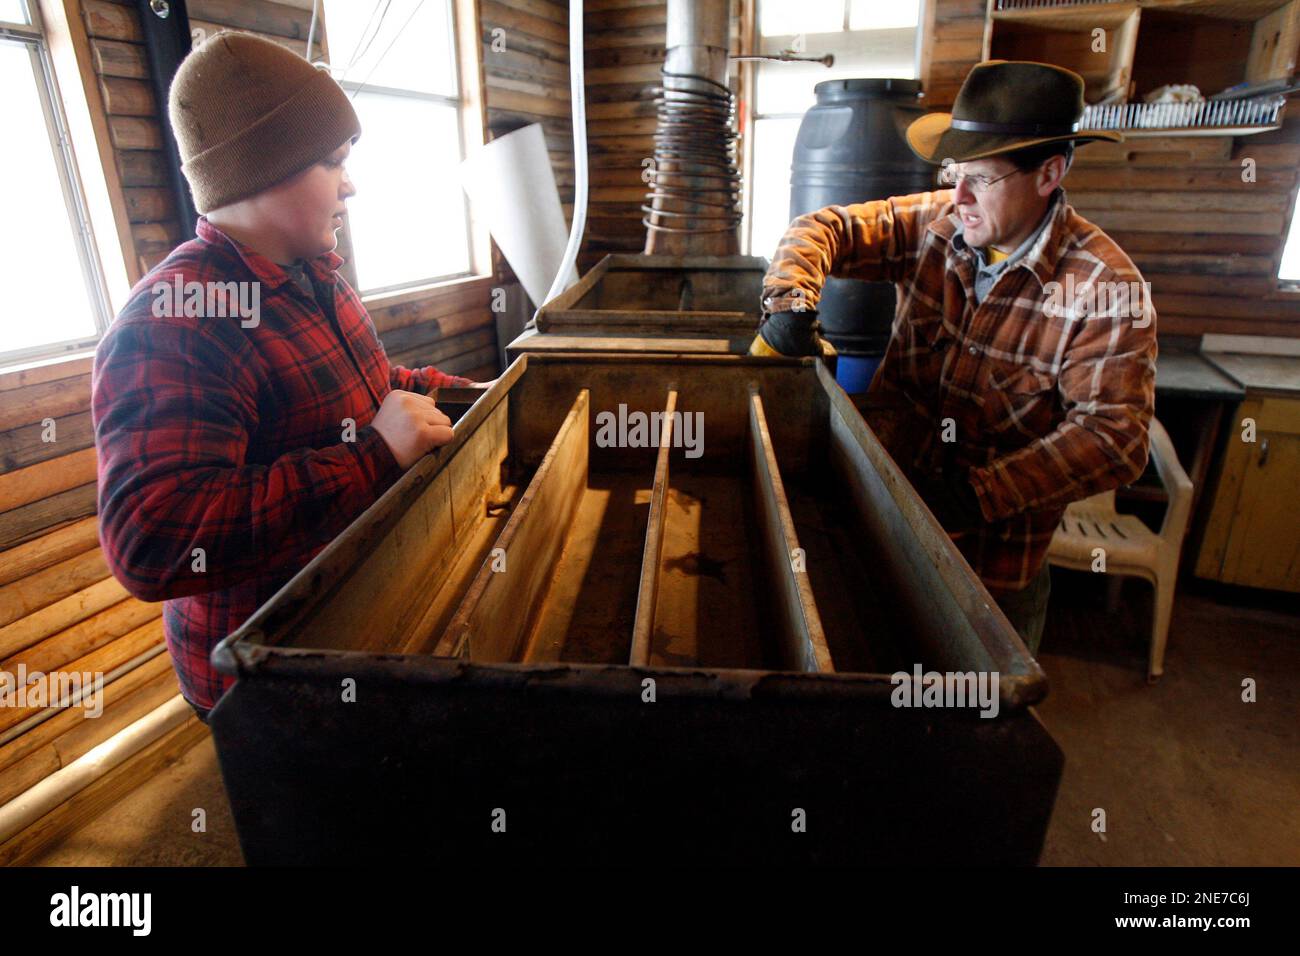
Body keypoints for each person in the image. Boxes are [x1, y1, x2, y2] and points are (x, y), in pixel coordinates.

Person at [92, 33, 479, 721]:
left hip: (350, 620)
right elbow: (153, 538)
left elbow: (362, 385)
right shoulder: (180, 320)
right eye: (332, 162)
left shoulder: (312, 273)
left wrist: (468, 396)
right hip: (271, 675)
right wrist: (372, 459)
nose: (350, 184)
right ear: (260, 171)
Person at [751, 60, 1158, 653]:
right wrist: (789, 303)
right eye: (954, 173)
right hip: (879, 526)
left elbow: (1114, 438)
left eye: (982, 179)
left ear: (1049, 172)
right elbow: (823, 227)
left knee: (970, 721)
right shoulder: (939, 224)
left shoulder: (1104, 289)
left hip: (990, 575)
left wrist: (975, 495)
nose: (958, 196)